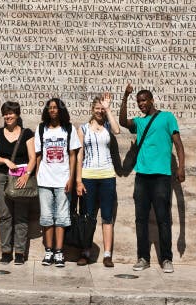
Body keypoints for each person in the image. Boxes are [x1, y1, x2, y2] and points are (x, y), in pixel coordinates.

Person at [119, 83, 186, 274]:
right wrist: (125, 96)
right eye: (138, 102)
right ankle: (143, 258)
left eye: (144, 100)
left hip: (162, 177)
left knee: (163, 218)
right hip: (142, 177)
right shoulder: (140, 123)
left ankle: (166, 258)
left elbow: (179, 145)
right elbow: (123, 122)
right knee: (140, 219)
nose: (141, 104)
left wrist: (181, 167)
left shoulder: (167, 118)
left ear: (151, 100)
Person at [35, 98, 81, 267]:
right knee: (47, 217)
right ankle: (49, 251)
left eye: (55, 108)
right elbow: (38, 155)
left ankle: (59, 252)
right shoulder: (41, 129)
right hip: (45, 179)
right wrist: (36, 175)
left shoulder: (68, 129)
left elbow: (73, 155)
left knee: (62, 217)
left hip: (63, 179)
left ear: (60, 110)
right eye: (50, 108)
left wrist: (71, 178)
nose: (53, 110)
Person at [75, 93, 120, 267]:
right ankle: (85, 251)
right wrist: (78, 180)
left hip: (107, 175)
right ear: (92, 109)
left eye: (102, 109)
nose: (100, 111)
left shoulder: (108, 126)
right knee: (88, 216)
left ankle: (107, 254)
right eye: (98, 108)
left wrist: (108, 108)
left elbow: (117, 130)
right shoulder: (83, 129)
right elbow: (80, 155)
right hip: (88, 176)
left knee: (107, 216)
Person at [0, 101, 36, 265]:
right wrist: (5, 160)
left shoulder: (26, 133)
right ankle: (5, 251)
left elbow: (32, 158)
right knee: (5, 216)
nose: (8, 116)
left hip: (21, 178)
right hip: (2, 177)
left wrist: (27, 174)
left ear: (17, 115)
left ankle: (19, 252)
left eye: (11, 113)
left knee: (22, 216)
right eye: (5, 113)